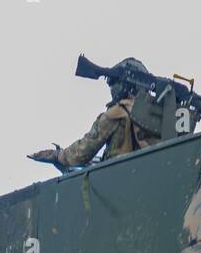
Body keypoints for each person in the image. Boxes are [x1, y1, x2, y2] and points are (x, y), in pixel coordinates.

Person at [29, 57, 163, 169]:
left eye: (113, 82)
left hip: (122, 181)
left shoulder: (117, 113)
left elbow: (80, 154)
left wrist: (58, 155)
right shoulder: (160, 115)